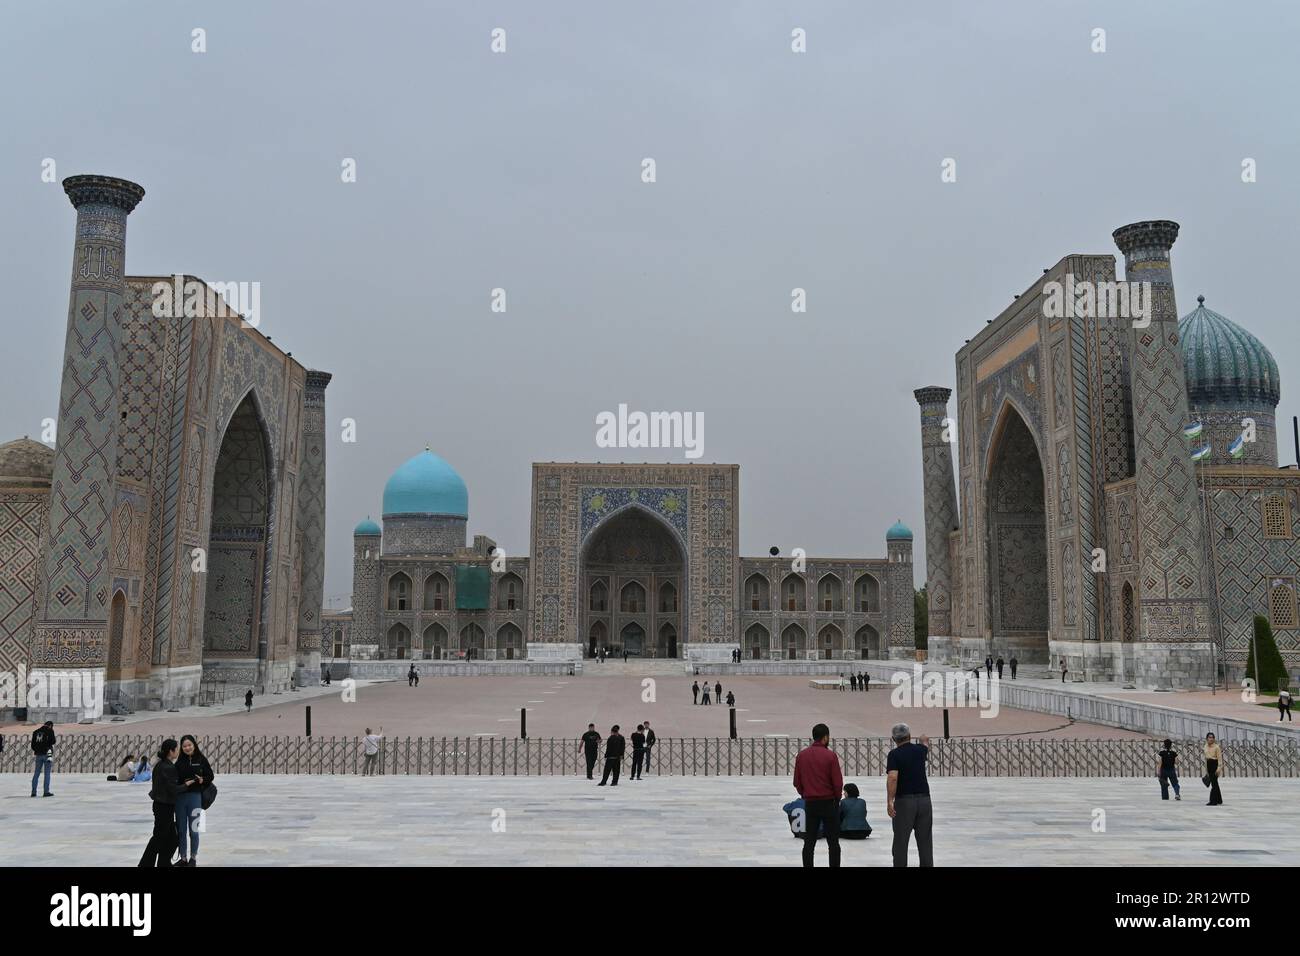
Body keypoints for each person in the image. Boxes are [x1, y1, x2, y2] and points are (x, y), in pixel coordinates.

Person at [792, 723, 843, 867]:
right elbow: (837, 782)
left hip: (811, 803)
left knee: (809, 842)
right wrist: (837, 798)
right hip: (829, 803)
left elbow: (797, 781)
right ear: (825, 737)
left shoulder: (802, 755)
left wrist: (805, 793)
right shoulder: (830, 756)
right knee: (833, 842)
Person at [886, 722, 933, 867]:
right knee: (925, 842)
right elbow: (925, 741)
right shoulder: (920, 750)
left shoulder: (894, 755)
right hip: (925, 800)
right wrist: (922, 739)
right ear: (909, 736)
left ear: (894, 739)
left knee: (901, 842)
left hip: (904, 801)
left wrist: (890, 800)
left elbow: (893, 777)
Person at [138, 739, 184, 867]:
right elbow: (173, 789)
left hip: (162, 805)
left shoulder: (161, 764)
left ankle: (163, 862)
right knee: (158, 837)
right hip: (164, 806)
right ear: (171, 751)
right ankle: (145, 864)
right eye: (177, 748)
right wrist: (187, 785)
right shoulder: (168, 767)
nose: (178, 751)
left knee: (172, 837)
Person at [174, 734, 214, 866]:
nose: (187, 748)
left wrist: (203, 780)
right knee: (181, 829)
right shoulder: (179, 762)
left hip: (195, 797)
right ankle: (183, 857)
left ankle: (193, 857)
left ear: (194, 745)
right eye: (184, 746)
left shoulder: (201, 759)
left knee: (194, 829)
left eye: (189, 745)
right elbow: (175, 780)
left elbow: (210, 776)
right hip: (181, 799)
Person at [30, 720, 55, 798]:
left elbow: (32, 745)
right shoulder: (50, 731)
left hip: (38, 754)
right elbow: (53, 741)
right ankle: (46, 792)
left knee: (36, 773)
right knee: (47, 773)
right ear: (50, 726)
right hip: (48, 754)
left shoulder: (36, 732)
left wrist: (37, 750)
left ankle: (33, 792)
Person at [1204, 733, 1224, 806]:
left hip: (1214, 765)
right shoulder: (1205, 746)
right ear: (1207, 738)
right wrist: (1206, 769)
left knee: (1214, 784)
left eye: (1212, 737)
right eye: (1209, 737)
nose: (1211, 739)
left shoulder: (1217, 747)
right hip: (1208, 764)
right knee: (1215, 783)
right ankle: (1219, 799)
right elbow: (1206, 758)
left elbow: (1220, 759)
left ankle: (1213, 800)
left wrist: (1219, 768)